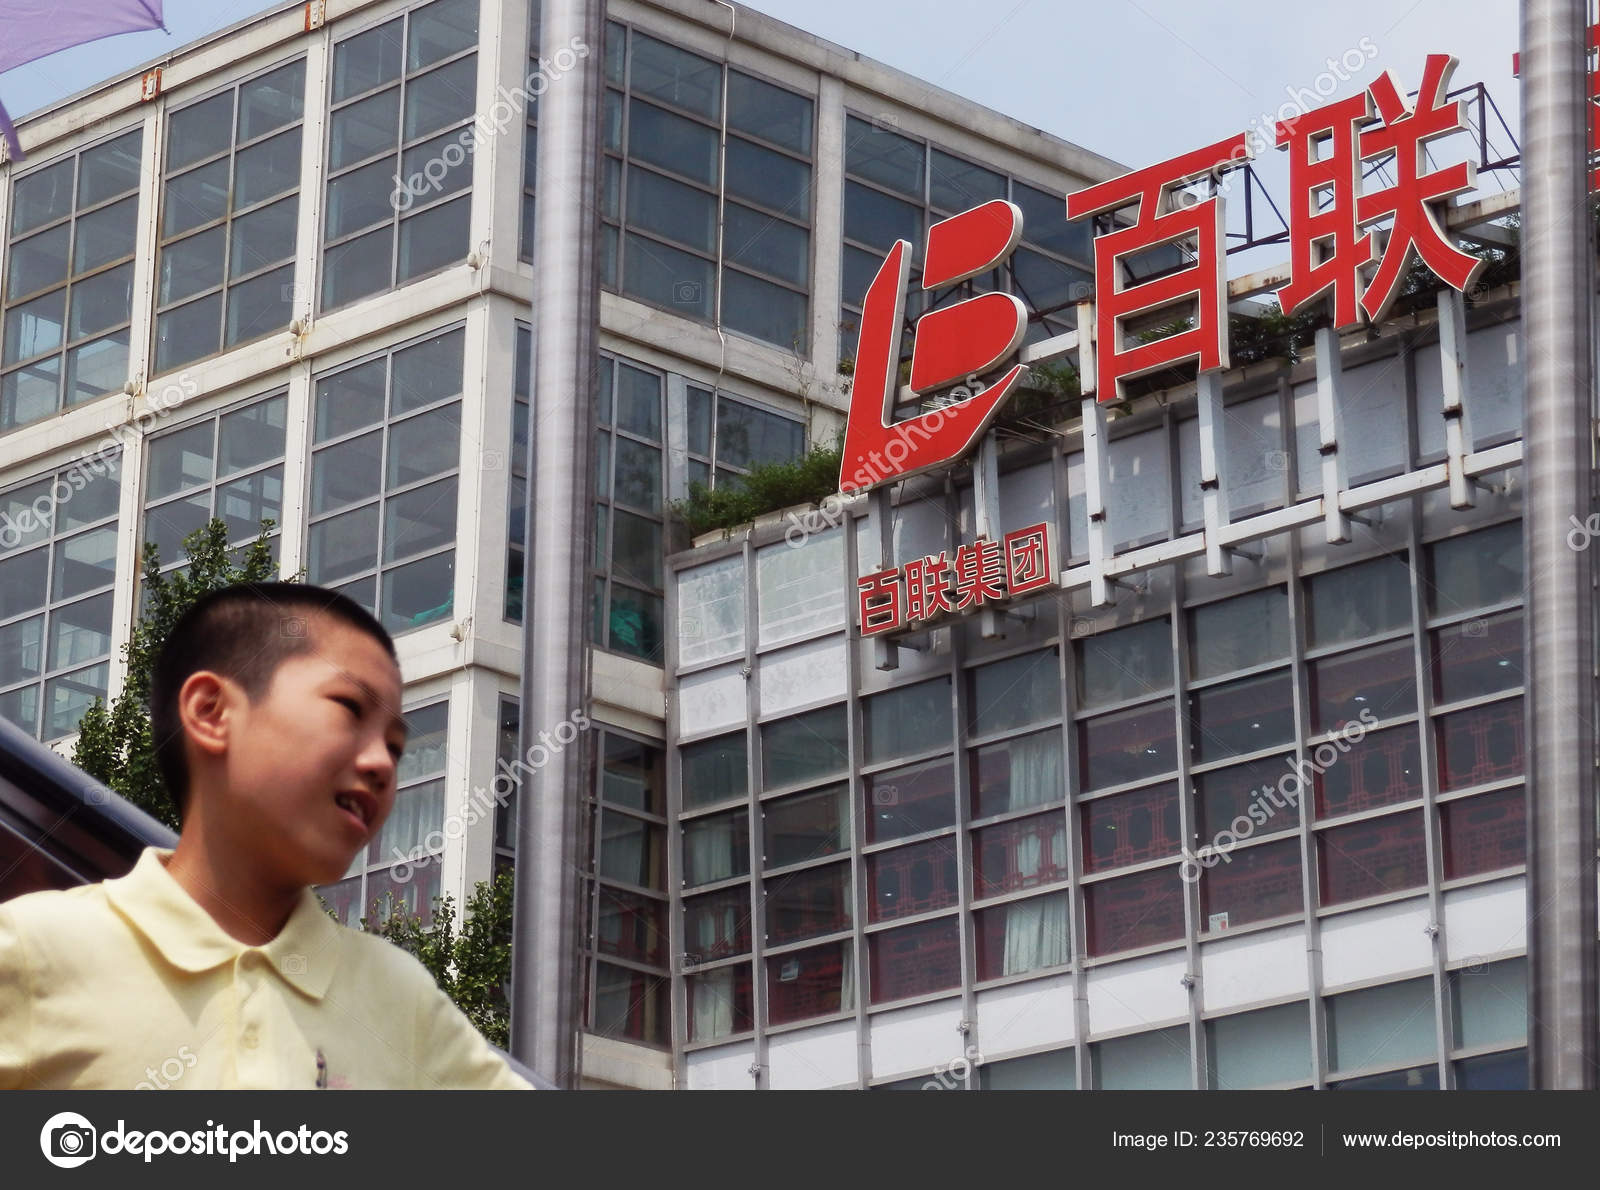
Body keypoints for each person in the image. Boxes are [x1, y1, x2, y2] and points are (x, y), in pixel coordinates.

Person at [0, 582, 532, 1090]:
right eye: (348, 709)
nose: (380, 763)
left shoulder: (401, 998)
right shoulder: (33, 949)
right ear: (211, 712)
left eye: (395, 747)